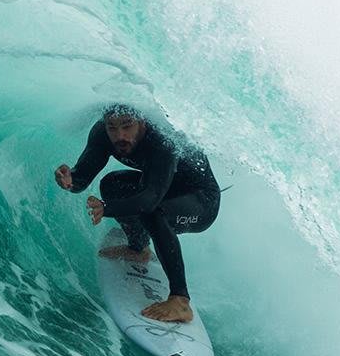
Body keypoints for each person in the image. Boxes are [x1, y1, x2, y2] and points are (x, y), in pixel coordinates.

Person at [54, 104, 221, 323]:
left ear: (142, 123)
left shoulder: (162, 140)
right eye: (112, 128)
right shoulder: (102, 134)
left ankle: (180, 300)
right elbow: (83, 177)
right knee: (113, 184)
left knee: (155, 212)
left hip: (201, 201)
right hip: (164, 190)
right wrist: (70, 180)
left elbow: (149, 200)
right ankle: (138, 248)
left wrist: (107, 209)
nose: (119, 135)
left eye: (127, 126)